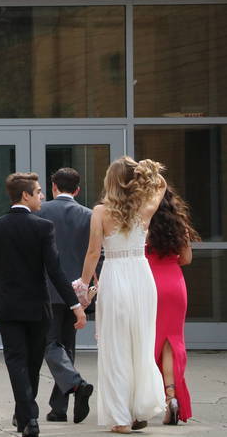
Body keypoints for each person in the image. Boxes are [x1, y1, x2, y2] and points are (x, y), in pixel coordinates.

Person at [0, 172, 87, 437]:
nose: (42, 196)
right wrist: (75, 305)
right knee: (31, 364)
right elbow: (55, 271)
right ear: (25, 195)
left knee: (16, 362)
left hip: (8, 308)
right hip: (38, 308)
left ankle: (26, 416)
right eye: (38, 191)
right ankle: (29, 416)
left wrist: (0, 296)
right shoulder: (42, 227)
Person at [78, 157, 168, 433]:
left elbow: (94, 252)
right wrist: (146, 172)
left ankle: (120, 418)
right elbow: (161, 184)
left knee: (116, 348)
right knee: (141, 344)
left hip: (115, 276)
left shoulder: (100, 212)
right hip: (141, 276)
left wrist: (83, 285)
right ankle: (139, 408)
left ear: (110, 181)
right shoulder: (146, 207)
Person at [35, 167, 96, 424]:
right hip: (76, 289)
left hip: (46, 289)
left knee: (48, 343)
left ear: (53, 187)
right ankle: (59, 408)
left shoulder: (41, 211)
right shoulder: (89, 215)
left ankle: (75, 384)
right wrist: (91, 287)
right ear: (78, 189)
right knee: (67, 347)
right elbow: (96, 253)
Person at [146, 188, 201, 425]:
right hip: (175, 284)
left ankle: (145, 398)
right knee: (170, 341)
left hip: (150, 283)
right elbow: (186, 259)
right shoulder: (179, 225)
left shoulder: (144, 225)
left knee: (149, 340)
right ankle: (171, 398)